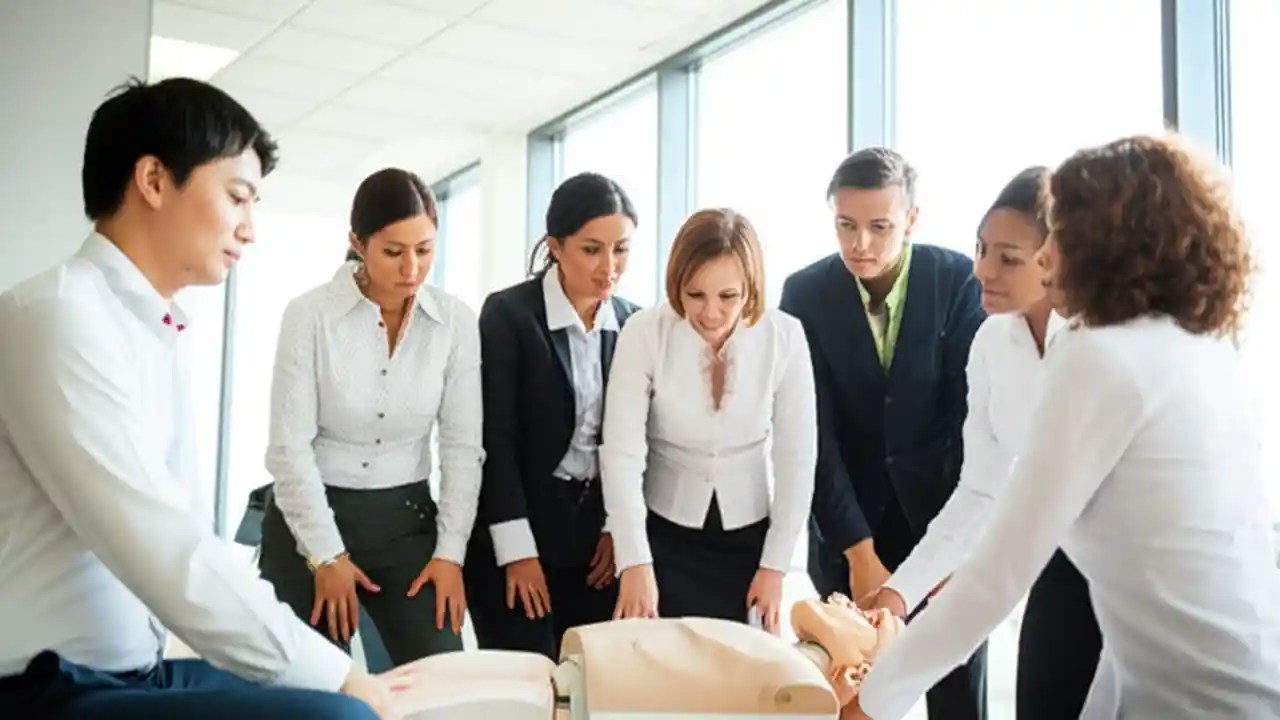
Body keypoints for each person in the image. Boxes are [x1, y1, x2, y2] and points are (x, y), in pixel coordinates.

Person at [848, 134, 1280, 719]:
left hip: (1205, 693)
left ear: (1112, 245)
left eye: (1061, 236)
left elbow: (998, 574)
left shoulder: (1100, 355)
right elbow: (1134, 612)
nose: (1048, 257)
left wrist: (873, 702)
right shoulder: (1191, 345)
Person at [0, 78, 390, 719]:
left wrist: (330, 673)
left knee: (324, 693)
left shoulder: (155, 329)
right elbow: (165, 550)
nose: (250, 228)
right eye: (237, 197)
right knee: (341, 713)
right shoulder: (57, 316)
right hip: (46, 685)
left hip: (134, 671)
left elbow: (186, 546)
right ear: (153, 180)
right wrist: (344, 675)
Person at [860, 167, 1101, 718]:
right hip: (1058, 573)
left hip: (1128, 573)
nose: (981, 270)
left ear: (1055, 257)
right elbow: (980, 491)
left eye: (1008, 258)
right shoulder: (991, 341)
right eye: (981, 248)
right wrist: (899, 595)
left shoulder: (1100, 341)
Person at [779, 147, 987, 720]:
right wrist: (858, 551)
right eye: (846, 226)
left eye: (879, 227)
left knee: (957, 699)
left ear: (912, 220)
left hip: (941, 526)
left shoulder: (959, 284)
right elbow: (812, 434)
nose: (860, 244)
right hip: (849, 535)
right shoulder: (805, 295)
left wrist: (952, 552)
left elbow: (973, 428)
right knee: (851, 698)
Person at [259, 168, 483, 664]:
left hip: (405, 523)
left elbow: (463, 449)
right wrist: (326, 555)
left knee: (443, 674)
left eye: (424, 249)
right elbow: (288, 450)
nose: (411, 268)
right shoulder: (309, 315)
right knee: (318, 690)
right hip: (309, 522)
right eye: (393, 251)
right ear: (357, 243)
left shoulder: (455, 322)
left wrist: (450, 554)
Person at [603, 208, 817, 634]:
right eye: (695, 294)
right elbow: (621, 456)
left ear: (751, 289)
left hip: (750, 540)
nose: (711, 313)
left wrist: (775, 567)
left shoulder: (785, 336)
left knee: (741, 682)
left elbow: (797, 459)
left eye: (728, 297)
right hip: (661, 536)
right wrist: (634, 562)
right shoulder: (644, 331)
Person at [463, 172, 641, 659]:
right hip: (519, 524)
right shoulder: (508, 316)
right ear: (556, 247)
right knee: (526, 682)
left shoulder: (633, 323)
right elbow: (493, 441)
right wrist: (518, 553)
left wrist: (615, 529)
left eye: (621, 249)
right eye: (592, 249)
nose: (609, 266)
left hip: (594, 537)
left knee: (593, 683)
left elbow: (636, 442)